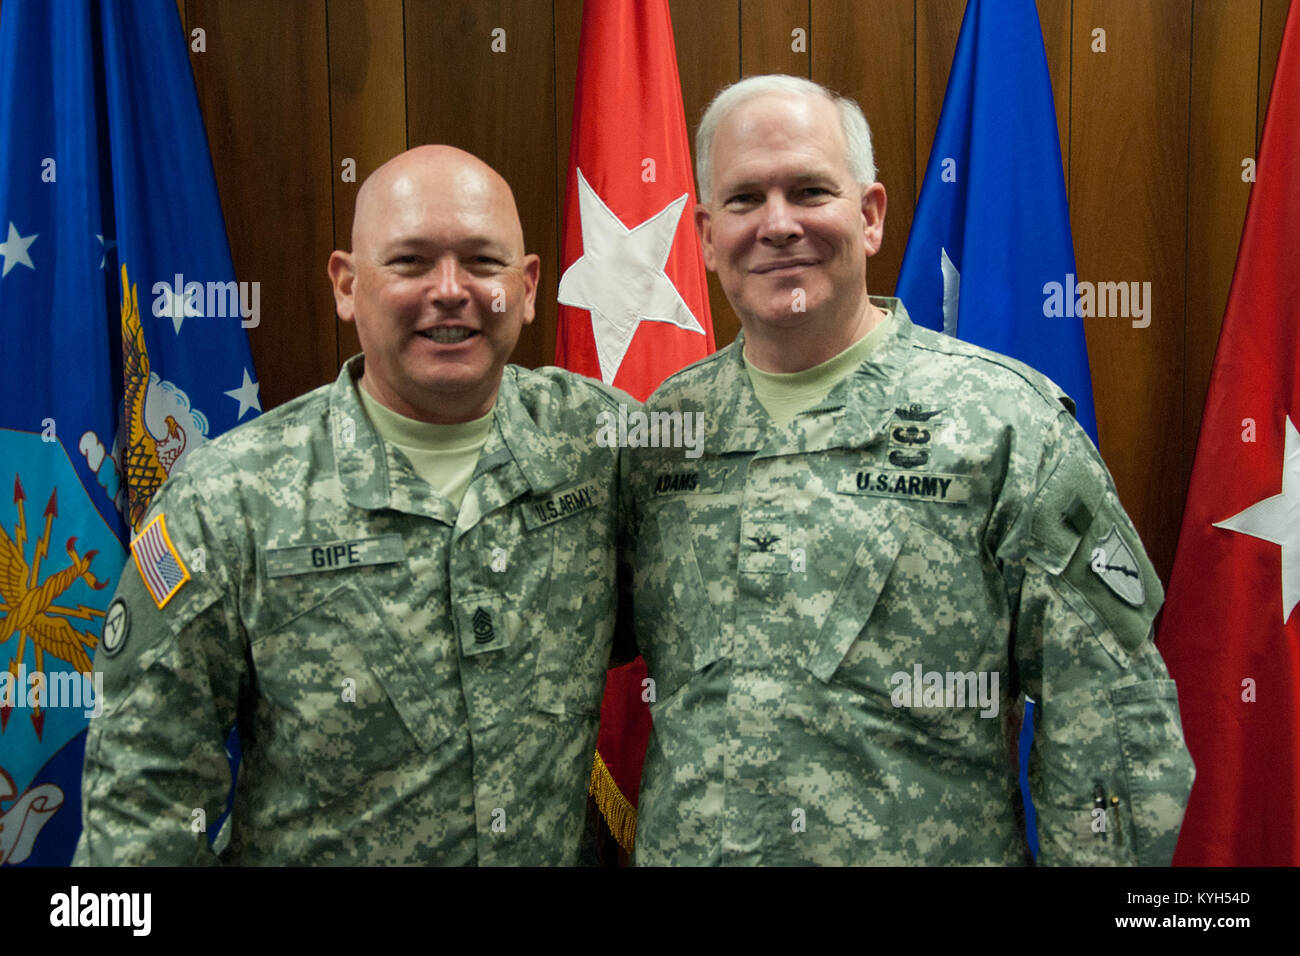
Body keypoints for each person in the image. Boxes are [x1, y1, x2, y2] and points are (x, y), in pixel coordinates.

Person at [624, 75, 1195, 865]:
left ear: (869, 216)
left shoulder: (1002, 423)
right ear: (704, 234)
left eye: (810, 190)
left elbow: (1113, 720)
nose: (779, 224)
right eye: (746, 199)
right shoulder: (663, 433)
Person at [75, 145, 631, 865]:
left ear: (526, 288)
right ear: (346, 284)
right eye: (409, 262)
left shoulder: (605, 449)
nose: (451, 290)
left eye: (483, 262)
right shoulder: (230, 500)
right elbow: (143, 798)